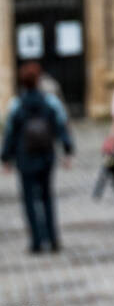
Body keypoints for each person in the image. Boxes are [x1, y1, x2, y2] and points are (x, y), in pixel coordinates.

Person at [1, 61, 74, 253]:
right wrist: (67, 151)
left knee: (29, 200)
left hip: (25, 157)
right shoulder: (50, 102)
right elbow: (61, 127)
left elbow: (10, 133)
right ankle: (53, 238)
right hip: (46, 155)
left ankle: (36, 241)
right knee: (46, 197)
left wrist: (5, 158)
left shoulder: (16, 104)